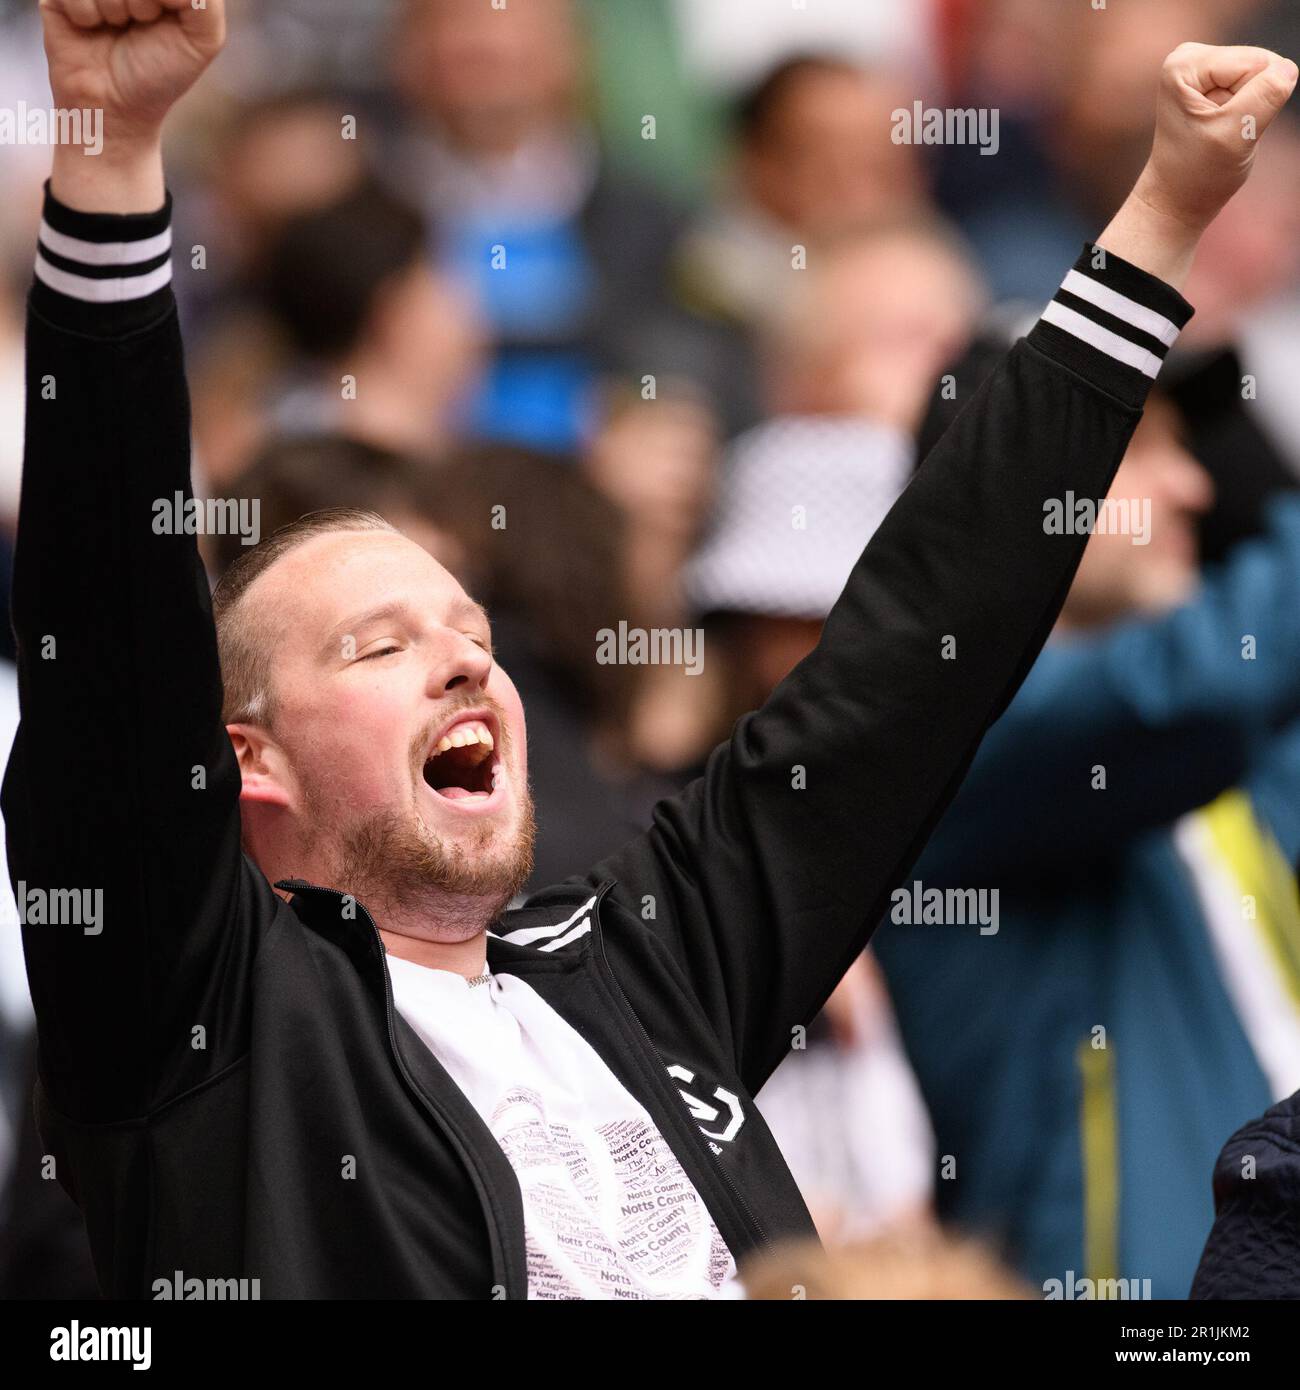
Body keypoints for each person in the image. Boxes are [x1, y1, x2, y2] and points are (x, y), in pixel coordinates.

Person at [9, 0, 1293, 1300]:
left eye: (475, 631)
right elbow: (106, 657)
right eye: (380, 644)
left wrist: (1161, 219)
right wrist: (111, 152)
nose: (466, 665)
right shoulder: (205, 1021)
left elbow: (914, 643)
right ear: (242, 762)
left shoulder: (642, 959)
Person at [876, 381, 1300, 1297]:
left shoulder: (1198, 775)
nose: (1195, 487)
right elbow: (1206, 684)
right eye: (1144, 454)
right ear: (1019, 487)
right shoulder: (947, 739)